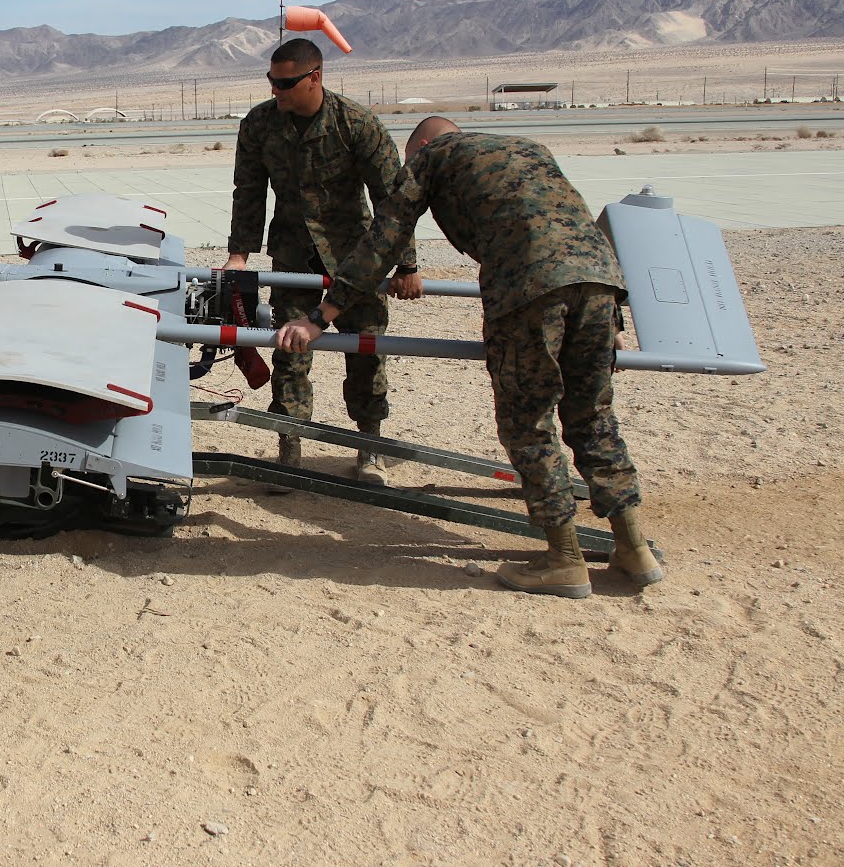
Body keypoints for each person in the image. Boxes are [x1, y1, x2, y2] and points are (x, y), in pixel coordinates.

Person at [273, 116, 664, 599]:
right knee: (592, 417)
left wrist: (320, 317)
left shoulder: (431, 159)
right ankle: (633, 547)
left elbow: (383, 239)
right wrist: (612, 320)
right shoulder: (528, 147)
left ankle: (563, 559)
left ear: (418, 149)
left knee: (529, 421)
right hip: (600, 282)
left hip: (528, 289)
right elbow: (575, 223)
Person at [226, 38, 422, 483]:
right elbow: (249, 192)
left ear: (315, 77)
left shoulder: (356, 123)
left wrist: (406, 265)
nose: (276, 91)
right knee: (291, 353)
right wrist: (239, 255)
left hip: (357, 262)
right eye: (271, 81)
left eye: (286, 83)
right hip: (294, 257)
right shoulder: (259, 125)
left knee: (367, 352)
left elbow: (393, 200)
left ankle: (368, 449)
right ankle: (289, 451)